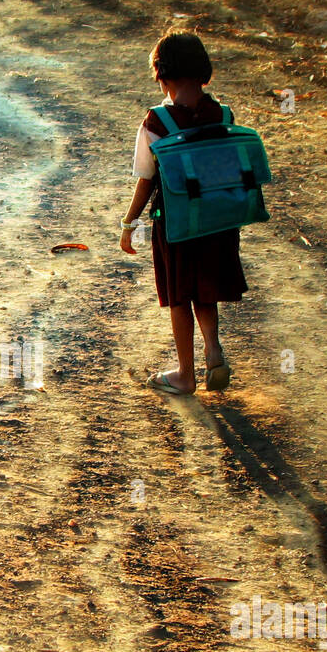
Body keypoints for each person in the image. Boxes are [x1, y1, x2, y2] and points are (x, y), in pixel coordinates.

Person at [120, 30, 248, 395]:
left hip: (175, 223)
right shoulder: (223, 113)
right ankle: (214, 348)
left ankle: (185, 374)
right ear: (203, 71)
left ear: (161, 74)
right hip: (218, 220)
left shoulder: (156, 122)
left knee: (179, 295)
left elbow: (146, 179)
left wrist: (128, 224)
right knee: (204, 289)